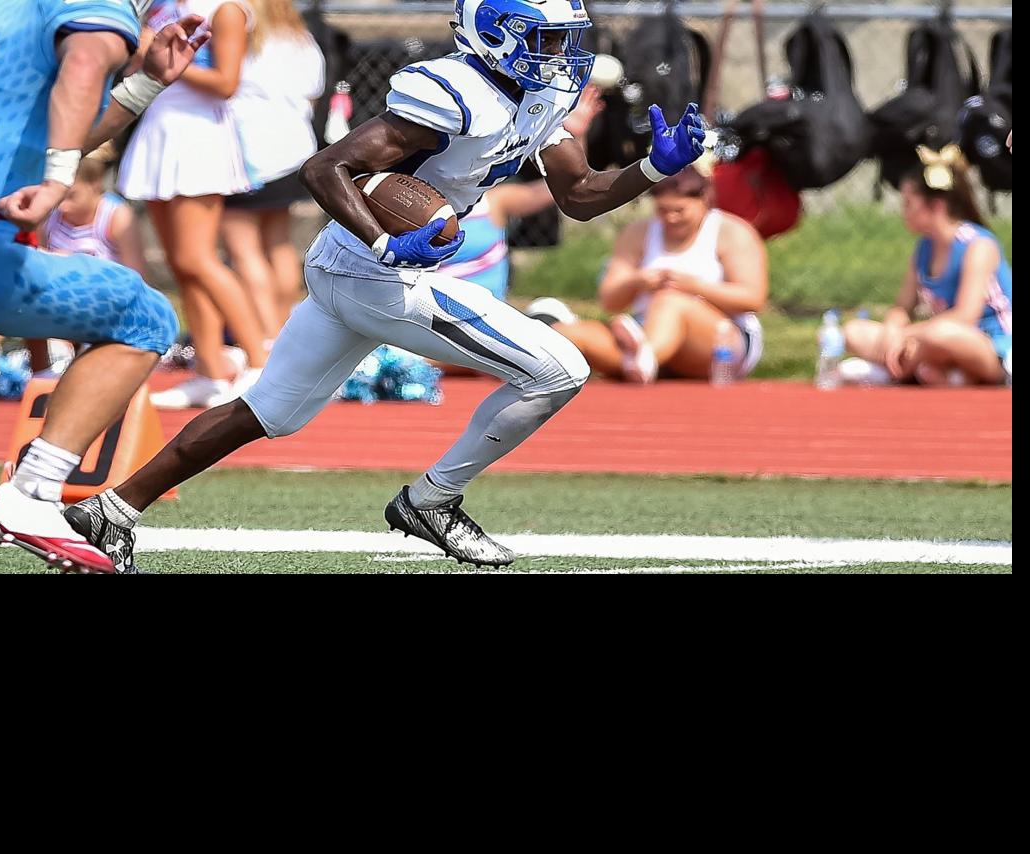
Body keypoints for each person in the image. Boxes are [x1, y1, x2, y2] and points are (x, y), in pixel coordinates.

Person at [57, 0, 708, 574]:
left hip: (361, 266)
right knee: (558, 368)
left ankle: (111, 510)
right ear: (497, 34)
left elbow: (581, 195)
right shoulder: (455, 90)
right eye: (547, 38)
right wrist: (383, 241)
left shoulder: (539, 95)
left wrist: (652, 168)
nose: (562, 53)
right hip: (378, 269)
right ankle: (431, 500)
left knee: (267, 412)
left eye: (566, 38)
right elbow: (326, 167)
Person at [0, 0, 208, 573]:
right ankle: (33, 493)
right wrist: (61, 182)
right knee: (145, 317)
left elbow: (49, 129)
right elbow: (83, 67)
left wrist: (144, 85)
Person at [117, 0, 272, 410]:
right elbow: (137, 70)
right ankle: (210, 371)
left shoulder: (228, 9)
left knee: (197, 258)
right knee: (180, 265)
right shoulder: (159, 7)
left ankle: (261, 363)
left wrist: (168, 61)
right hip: (159, 127)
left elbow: (226, 82)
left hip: (198, 133)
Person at [528, 165, 767, 384]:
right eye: (663, 210)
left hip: (722, 341)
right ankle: (536, 348)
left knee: (670, 300)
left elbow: (753, 298)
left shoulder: (732, 232)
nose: (671, 218)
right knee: (575, 335)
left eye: (680, 210)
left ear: (704, 199)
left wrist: (693, 286)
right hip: (644, 330)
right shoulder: (638, 232)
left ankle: (645, 355)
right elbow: (610, 300)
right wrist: (638, 282)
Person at [841, 145, 1012, 387]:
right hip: (931, 341)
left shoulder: (978, 245)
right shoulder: (924, 248)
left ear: (937, 206)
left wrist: (905, 335)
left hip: (989, 345)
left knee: (941, 335)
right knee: (853, 332)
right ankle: (936, 373)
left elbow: (965, 316)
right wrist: (891, 330)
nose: (903, 212)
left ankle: (903, 370)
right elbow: (902, 307)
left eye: (909, 203)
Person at [221, 0, 324, 340]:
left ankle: (267, 336)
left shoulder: (244, 33)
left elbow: (224, 84)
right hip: (293, 150)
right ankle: (285, 332)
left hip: (248, 153)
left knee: (243, 249)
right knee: (279, 243)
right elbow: (314, 92)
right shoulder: (300, 37)